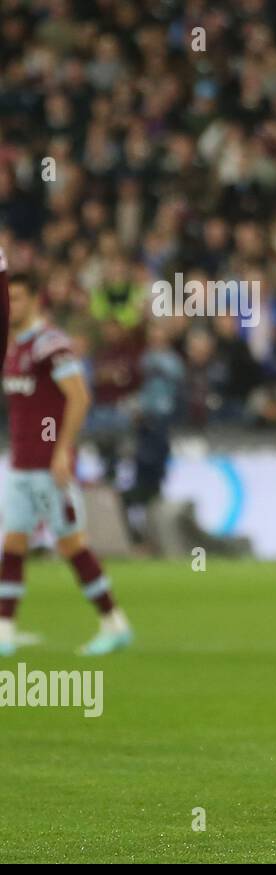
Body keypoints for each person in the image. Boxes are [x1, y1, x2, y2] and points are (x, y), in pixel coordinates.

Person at [0, 271, 134, 657]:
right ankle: (5, 630)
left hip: (48, 465)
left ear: (36, 301)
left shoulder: (50, 345)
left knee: (71, 544)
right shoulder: (13, 347)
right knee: (13, 543)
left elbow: (79, 396)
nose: (13, 306)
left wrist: (62, 451)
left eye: (19, 298)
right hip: (20, 464)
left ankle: (114, 623)